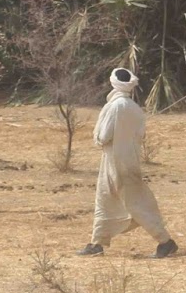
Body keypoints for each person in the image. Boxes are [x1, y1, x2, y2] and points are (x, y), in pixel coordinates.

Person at [76, 68, 178, 258]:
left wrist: (98, 139)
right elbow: (141, 135)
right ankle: (97, 243)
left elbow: (104, 136)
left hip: (113, 160)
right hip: (130, 159)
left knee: (133, 203)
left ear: (114, 83)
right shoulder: (134, 107)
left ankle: (165, 241)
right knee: (108, 200)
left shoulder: (116, 106)